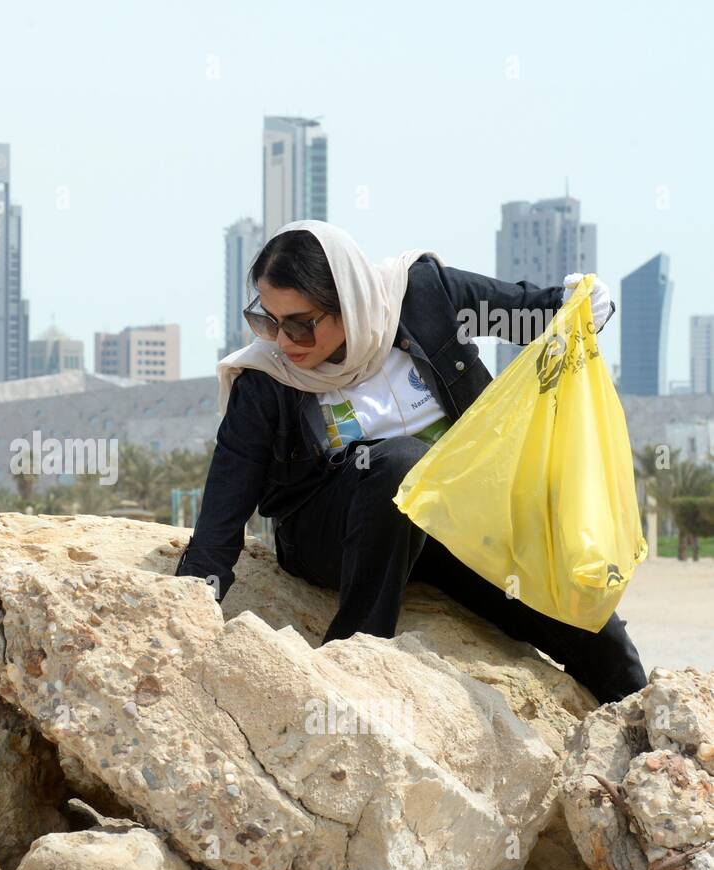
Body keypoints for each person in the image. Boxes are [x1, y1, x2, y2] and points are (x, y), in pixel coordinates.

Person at [175, 220, 646, 704]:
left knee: (594, 631)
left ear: (350, 302)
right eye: (266, 320)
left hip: (455, 524)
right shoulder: (264, 378)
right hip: (334, 537)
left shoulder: (420, 293)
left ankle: (649, 728)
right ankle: (357, 655)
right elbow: (228, 495)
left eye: (299, 324)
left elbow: (534, 315)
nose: (282, 340)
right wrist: (192, 599)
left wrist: (584, 304)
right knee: (401, 463)